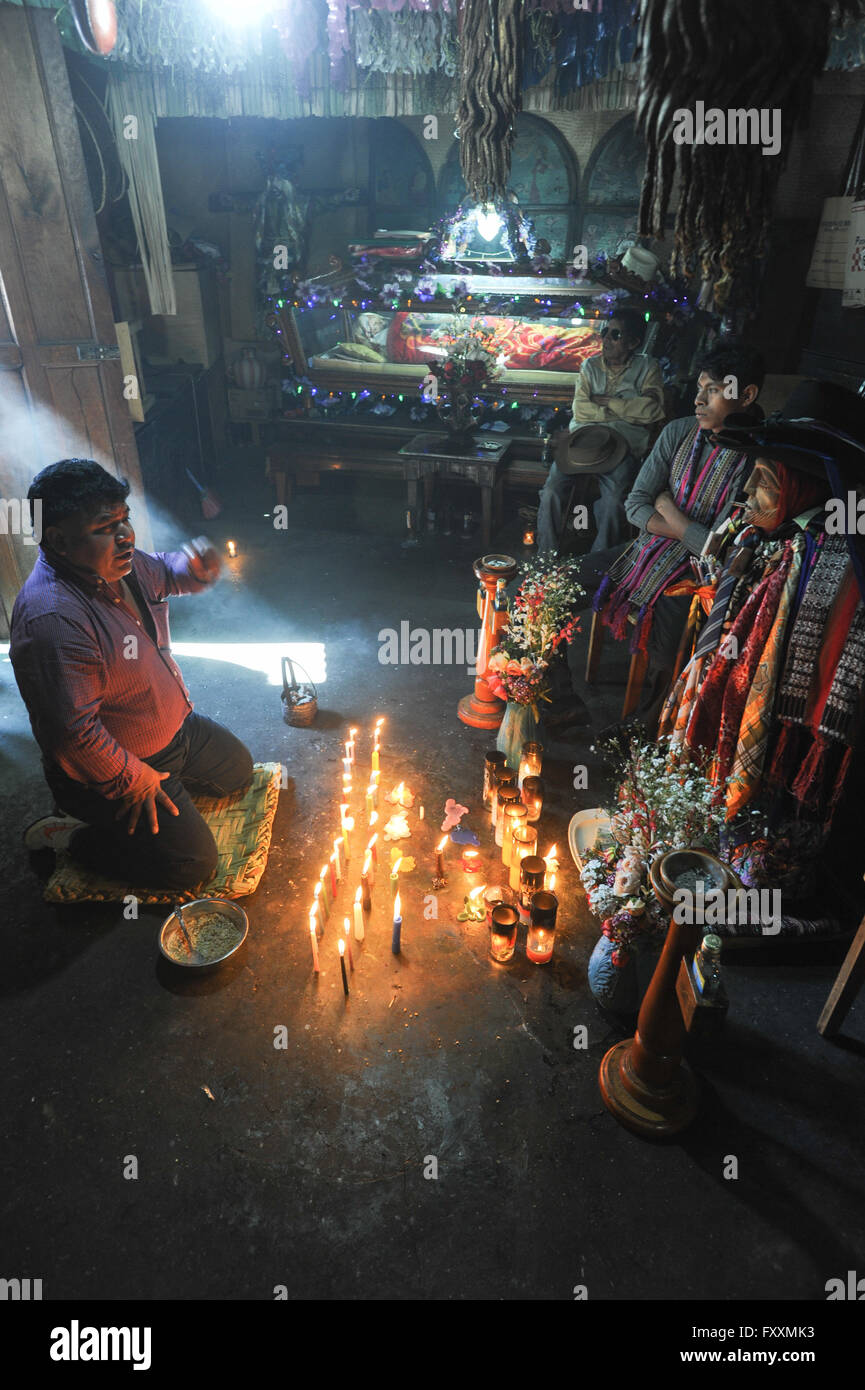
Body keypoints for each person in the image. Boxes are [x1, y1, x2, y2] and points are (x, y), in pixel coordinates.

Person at [10, 458, 254, 893]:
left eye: (125, 519)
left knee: (238, 771)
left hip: (175, 731)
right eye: (106, 526)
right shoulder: (54, 620)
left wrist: (189, 572)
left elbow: (159, 570)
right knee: (192, 864)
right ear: (58, 539)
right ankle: (77, 838)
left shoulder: (115, 563)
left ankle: (163, 807)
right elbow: (74, 735)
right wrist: (134, 778)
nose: (125, 535)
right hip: (117, 768)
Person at [548, 336, 765, 733]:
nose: (698, 401)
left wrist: (668, 511)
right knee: (546, 591)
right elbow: (635, 504)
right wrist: (688, 530)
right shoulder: (679, 432)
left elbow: (722, 548)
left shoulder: (763, 459)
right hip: (643, 552)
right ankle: (559, 700)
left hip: (699, 577)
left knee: (672, 654)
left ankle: (643, 734)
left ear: (746, 394)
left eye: (713, 391)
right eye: (699, 389)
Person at [537, 305, 665, 554]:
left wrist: (607, 402)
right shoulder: (589, 366)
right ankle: (546, 558)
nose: (606, 339)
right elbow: (581, 409)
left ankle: (598, 562)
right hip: (583, 443)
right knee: (551, 491)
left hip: (622, 446)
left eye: (615, 335)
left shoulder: (648, 368)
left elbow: (653, 410)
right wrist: (626, 408)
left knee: (615, 499)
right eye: (606, 332)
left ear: (633, 342)